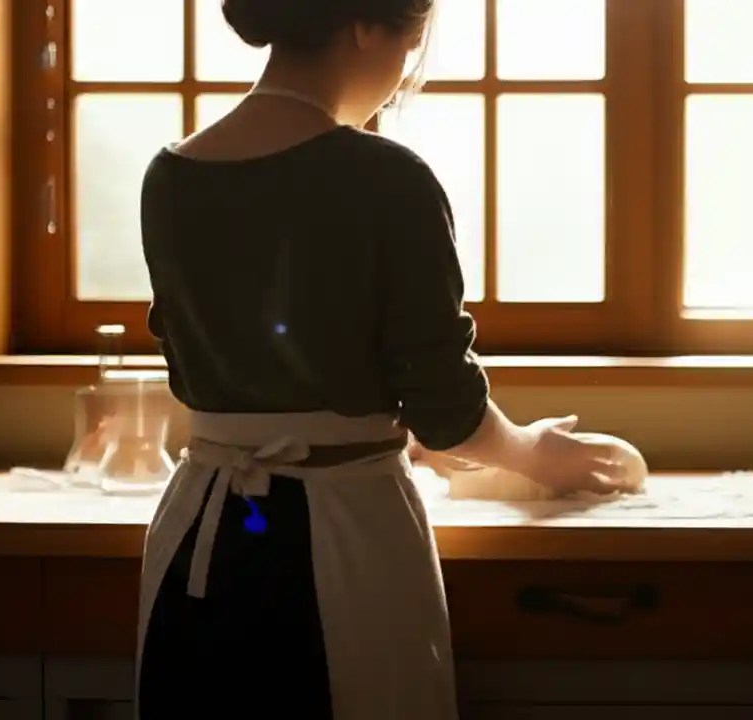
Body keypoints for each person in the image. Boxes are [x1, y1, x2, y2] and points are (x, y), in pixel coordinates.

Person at [133, 0, 631, 717]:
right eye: (410, 46)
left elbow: (221, 373)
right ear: (365, 26)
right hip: (340, 534)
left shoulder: (169, 177)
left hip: (203, 532)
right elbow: (444, 406)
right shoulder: (387, 178)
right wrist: (532, 451)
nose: (402, 78)